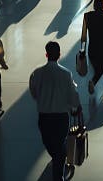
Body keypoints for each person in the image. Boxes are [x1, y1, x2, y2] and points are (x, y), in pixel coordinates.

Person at [29, 41, 81, 181]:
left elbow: (34, 92)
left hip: (44, 117)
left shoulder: (37, 73)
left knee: (49, 143)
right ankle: (59, 167)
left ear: (46, 54)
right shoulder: (66, 74)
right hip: (61, 118)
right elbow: (73, 95)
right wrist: (75, 106)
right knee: (59, 143)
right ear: (59, 55)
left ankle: (58, 170)